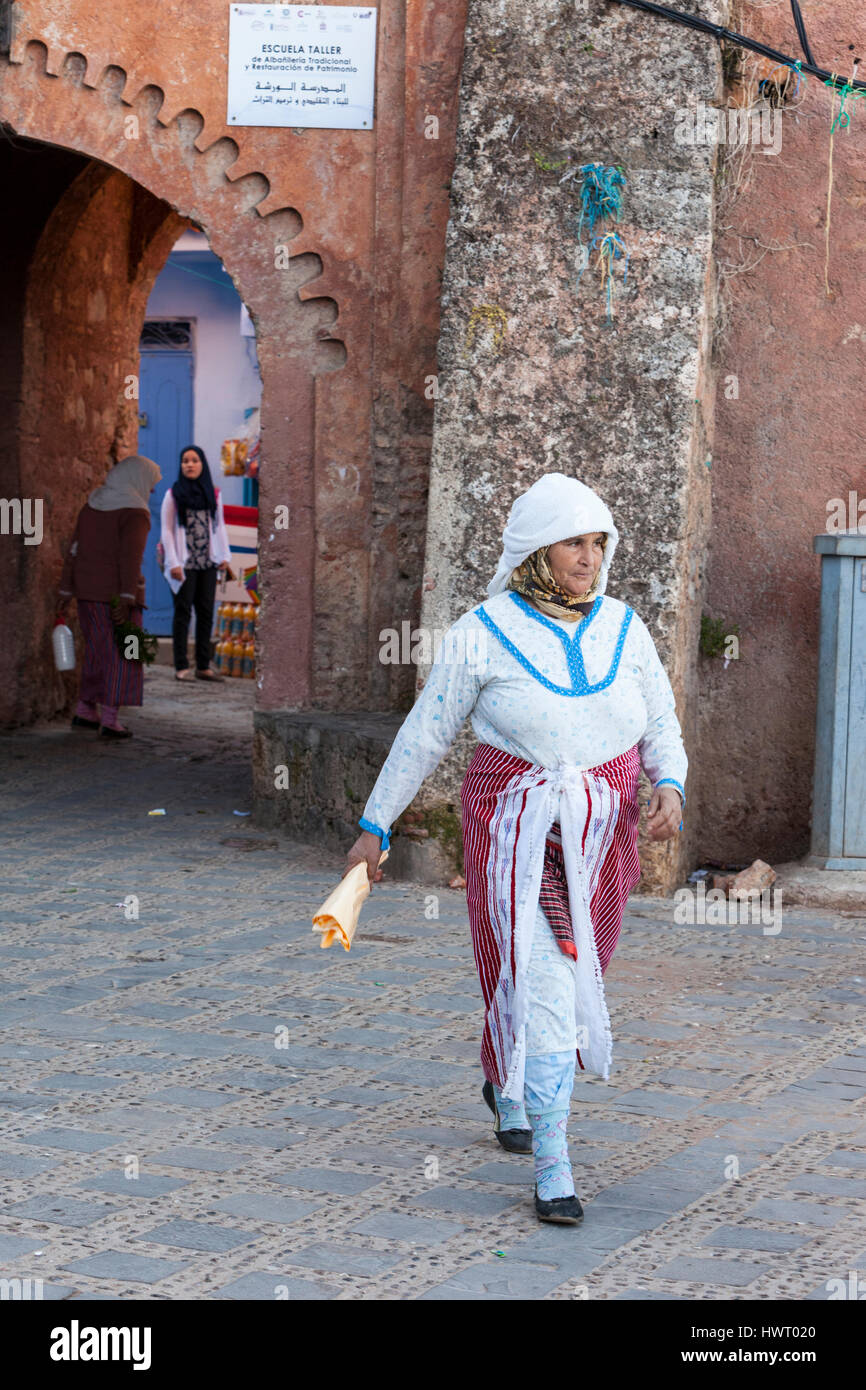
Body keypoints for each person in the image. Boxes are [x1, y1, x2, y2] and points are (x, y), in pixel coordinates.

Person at [343, 472, 687, 1226]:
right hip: (513, 831)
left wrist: (671, 787)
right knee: (549, 981)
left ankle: (506, 1081)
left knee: (567, 964)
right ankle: (555, 1166)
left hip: (600, 839)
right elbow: (425, 733)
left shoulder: (625, 629)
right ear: (536, 551)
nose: (589, 558)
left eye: (599, 542)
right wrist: (376, 825)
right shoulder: (481, 633)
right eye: (573, 542)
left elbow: (660, 722)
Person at [57, 454, 161, 740]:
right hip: (118, 599)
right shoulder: (135, 513)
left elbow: (74, 550)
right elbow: (130, 559)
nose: (151, 489)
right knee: (125, 655)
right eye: (150, 483)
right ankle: (111, 719)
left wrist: (66, 590)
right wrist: (127, 596)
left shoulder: (92, 505)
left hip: (87, 596)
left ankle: (85, 710)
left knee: (96, 653)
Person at [160, 445, 234, 682]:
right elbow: (167, 531)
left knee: (205, 613)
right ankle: (181, 666)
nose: (189, 465)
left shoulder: (214, 494)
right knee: (182, 613)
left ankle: (203, 665)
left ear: (202, 464)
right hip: (184, 564)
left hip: (207, 562)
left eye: (194, 460)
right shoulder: (173, 494)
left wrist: (224, 556)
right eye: (185, 461)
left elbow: (219, 525)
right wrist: (173, 562)